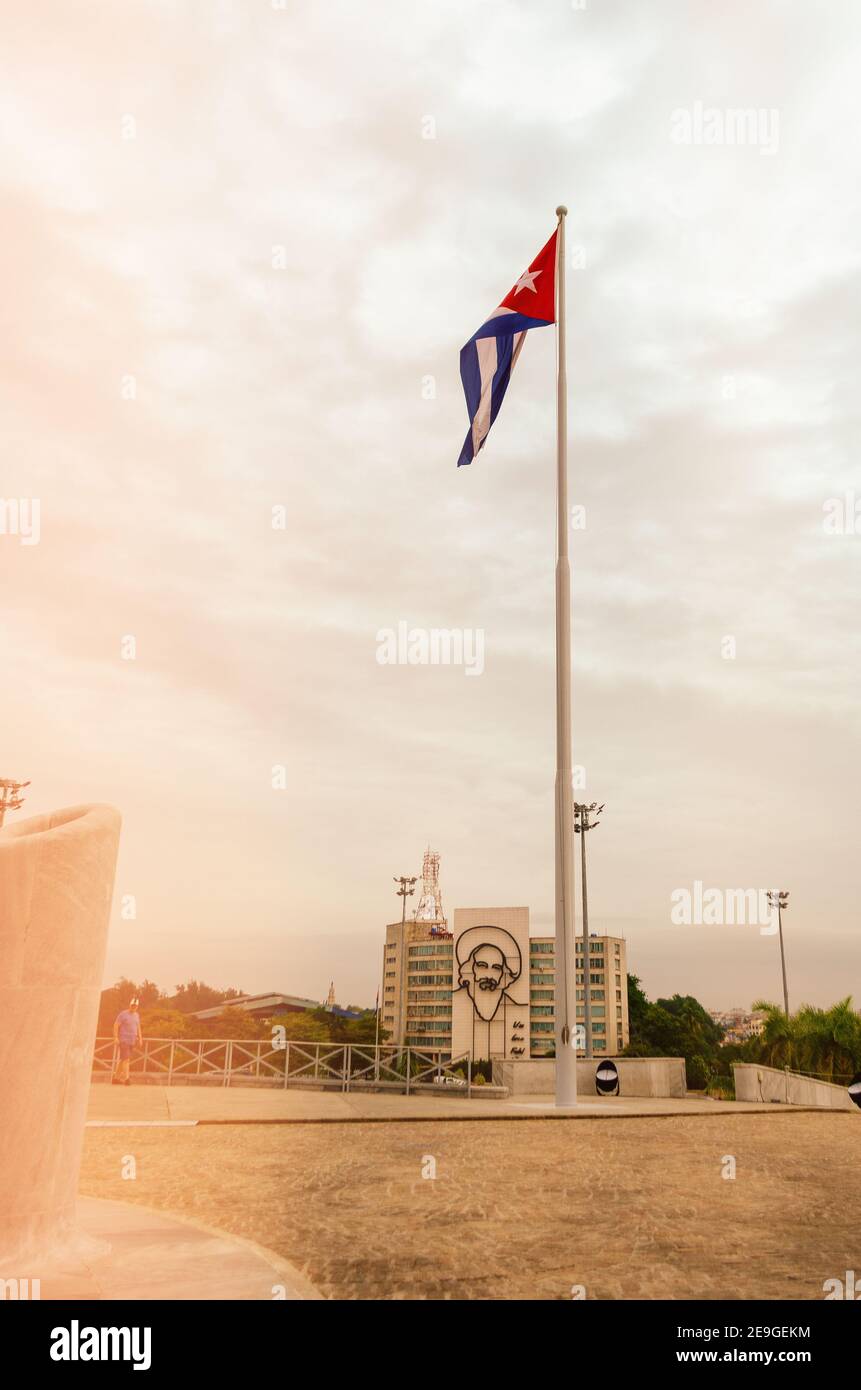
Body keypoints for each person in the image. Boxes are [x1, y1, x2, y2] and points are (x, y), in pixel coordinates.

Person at [112, 997, 142, 1086]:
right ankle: (127, 1079)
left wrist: (140, 1038)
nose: (134, 1007)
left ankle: (116, 1079)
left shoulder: (137, 1015)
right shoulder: (123, 1014)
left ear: (137, 1006)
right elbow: (116, 1025)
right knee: (126, 1059)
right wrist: (115, 1037)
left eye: (135, 1006)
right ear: (130, 1005)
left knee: (123, 1060)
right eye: (132, 1005)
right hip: (124, 1040)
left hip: (132, 1041)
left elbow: (138, 1027)